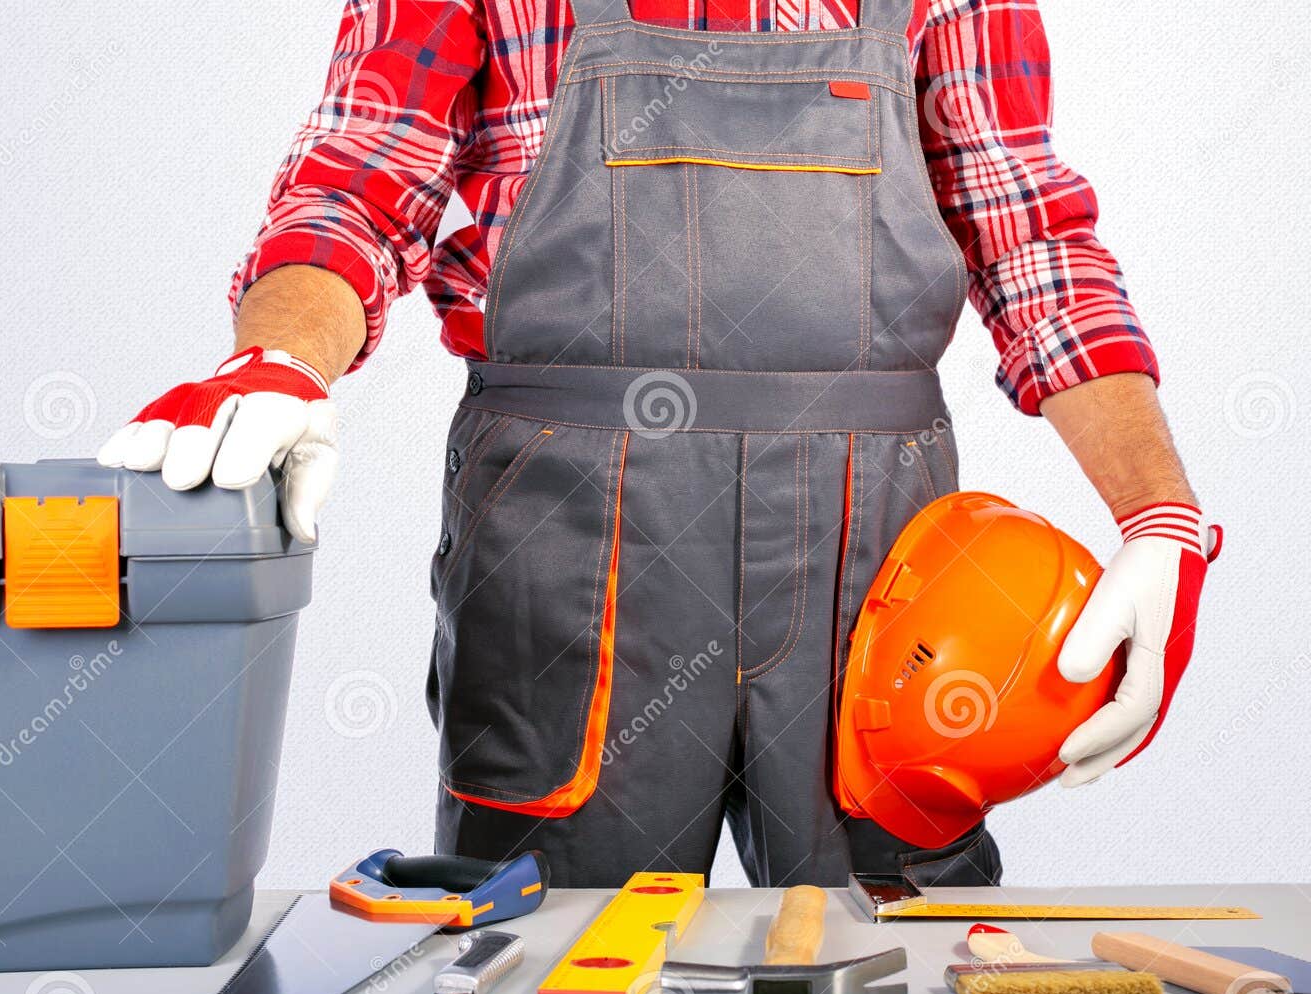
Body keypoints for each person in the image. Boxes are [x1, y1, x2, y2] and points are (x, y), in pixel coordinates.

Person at [98, 1, 1212, 888]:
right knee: (542, 967)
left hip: (880, 559)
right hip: (570, 537)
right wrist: (284, 358)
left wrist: (1156, 508)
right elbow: (360, 175)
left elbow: (1031, 242)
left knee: (899, 962)